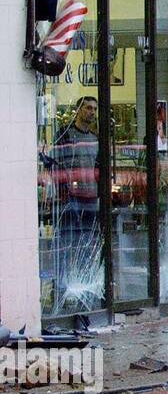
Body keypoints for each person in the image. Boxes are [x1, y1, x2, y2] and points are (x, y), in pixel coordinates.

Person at [49, 96, 100, 312]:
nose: (92, 112)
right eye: (88, 108)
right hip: (71, 199)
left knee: (87, 247)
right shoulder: (66, 135)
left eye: (95, 109)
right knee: (67, 247)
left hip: (91, 199)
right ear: (78, 111)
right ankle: (60, 291)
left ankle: (84, 293)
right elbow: (54, 163)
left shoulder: (96, 139)